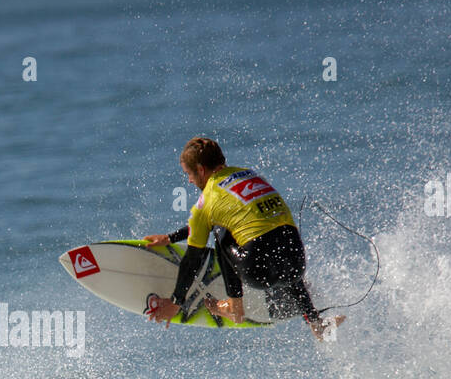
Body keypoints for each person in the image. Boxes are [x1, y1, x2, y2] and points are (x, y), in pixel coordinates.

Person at [143, 137, 343, 340]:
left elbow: (194, 257)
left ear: (201, 170)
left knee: (221, 232)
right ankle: (316, 322)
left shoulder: (210, 196)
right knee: (277, 236)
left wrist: (176, 301)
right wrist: (171, 237)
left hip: (258, 271)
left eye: (188, 173)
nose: (189, 180)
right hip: (297, 264)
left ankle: (234, 306)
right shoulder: (248, 175)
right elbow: (224, 216)